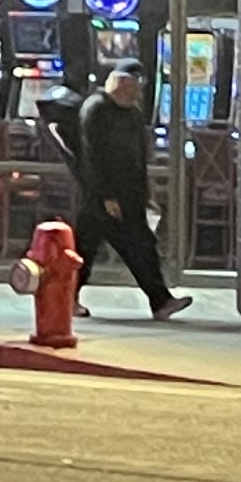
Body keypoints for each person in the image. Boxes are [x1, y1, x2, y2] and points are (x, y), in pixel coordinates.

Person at [72, 67, 187, 319]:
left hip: (130, 195)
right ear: (119, 84)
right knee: (85, 250)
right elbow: (94, 157)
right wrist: (107, 195)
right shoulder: (96, 109)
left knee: (142, 247)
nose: (135, 94)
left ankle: (161, 301)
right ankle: (68, 298)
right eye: (131, 88)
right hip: (101, 198)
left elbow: (138, 157)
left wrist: (147, 193)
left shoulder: (132, 114)